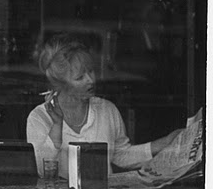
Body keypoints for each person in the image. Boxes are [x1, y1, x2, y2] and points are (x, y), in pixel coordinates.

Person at [26, 33, 181, 179]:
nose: (90, 80)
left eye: (91, 71)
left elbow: (120, 154)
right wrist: (56, 128)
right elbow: (40, 170)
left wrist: (164, 143)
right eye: (80, 77)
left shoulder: (107, 110)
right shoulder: (39, 117)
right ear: (61, 84)